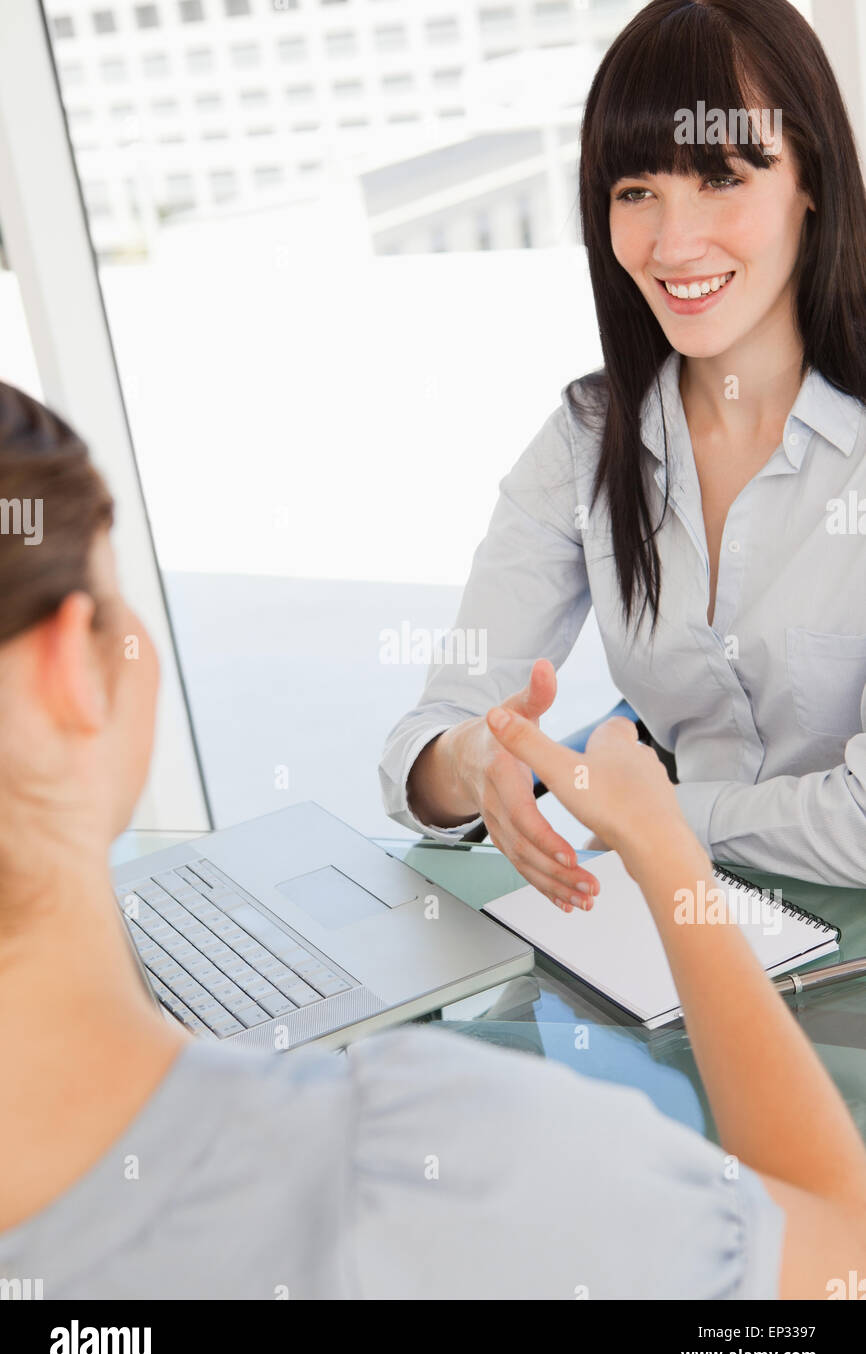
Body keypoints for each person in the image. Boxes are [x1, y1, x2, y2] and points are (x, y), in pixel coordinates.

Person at [0, 381, 864, 1300]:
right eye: (113, 594)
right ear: (70, 672)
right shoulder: (415, 1161)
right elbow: (838, 1262)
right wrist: (658, 845)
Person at [380, 0, 866, 906]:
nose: (673, 244)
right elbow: (423, 746)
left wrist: (650, 812)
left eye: (720, 179)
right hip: (668, 931)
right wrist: (483, 759)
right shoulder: (588, 439)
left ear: (812, 179)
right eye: (635, 191)